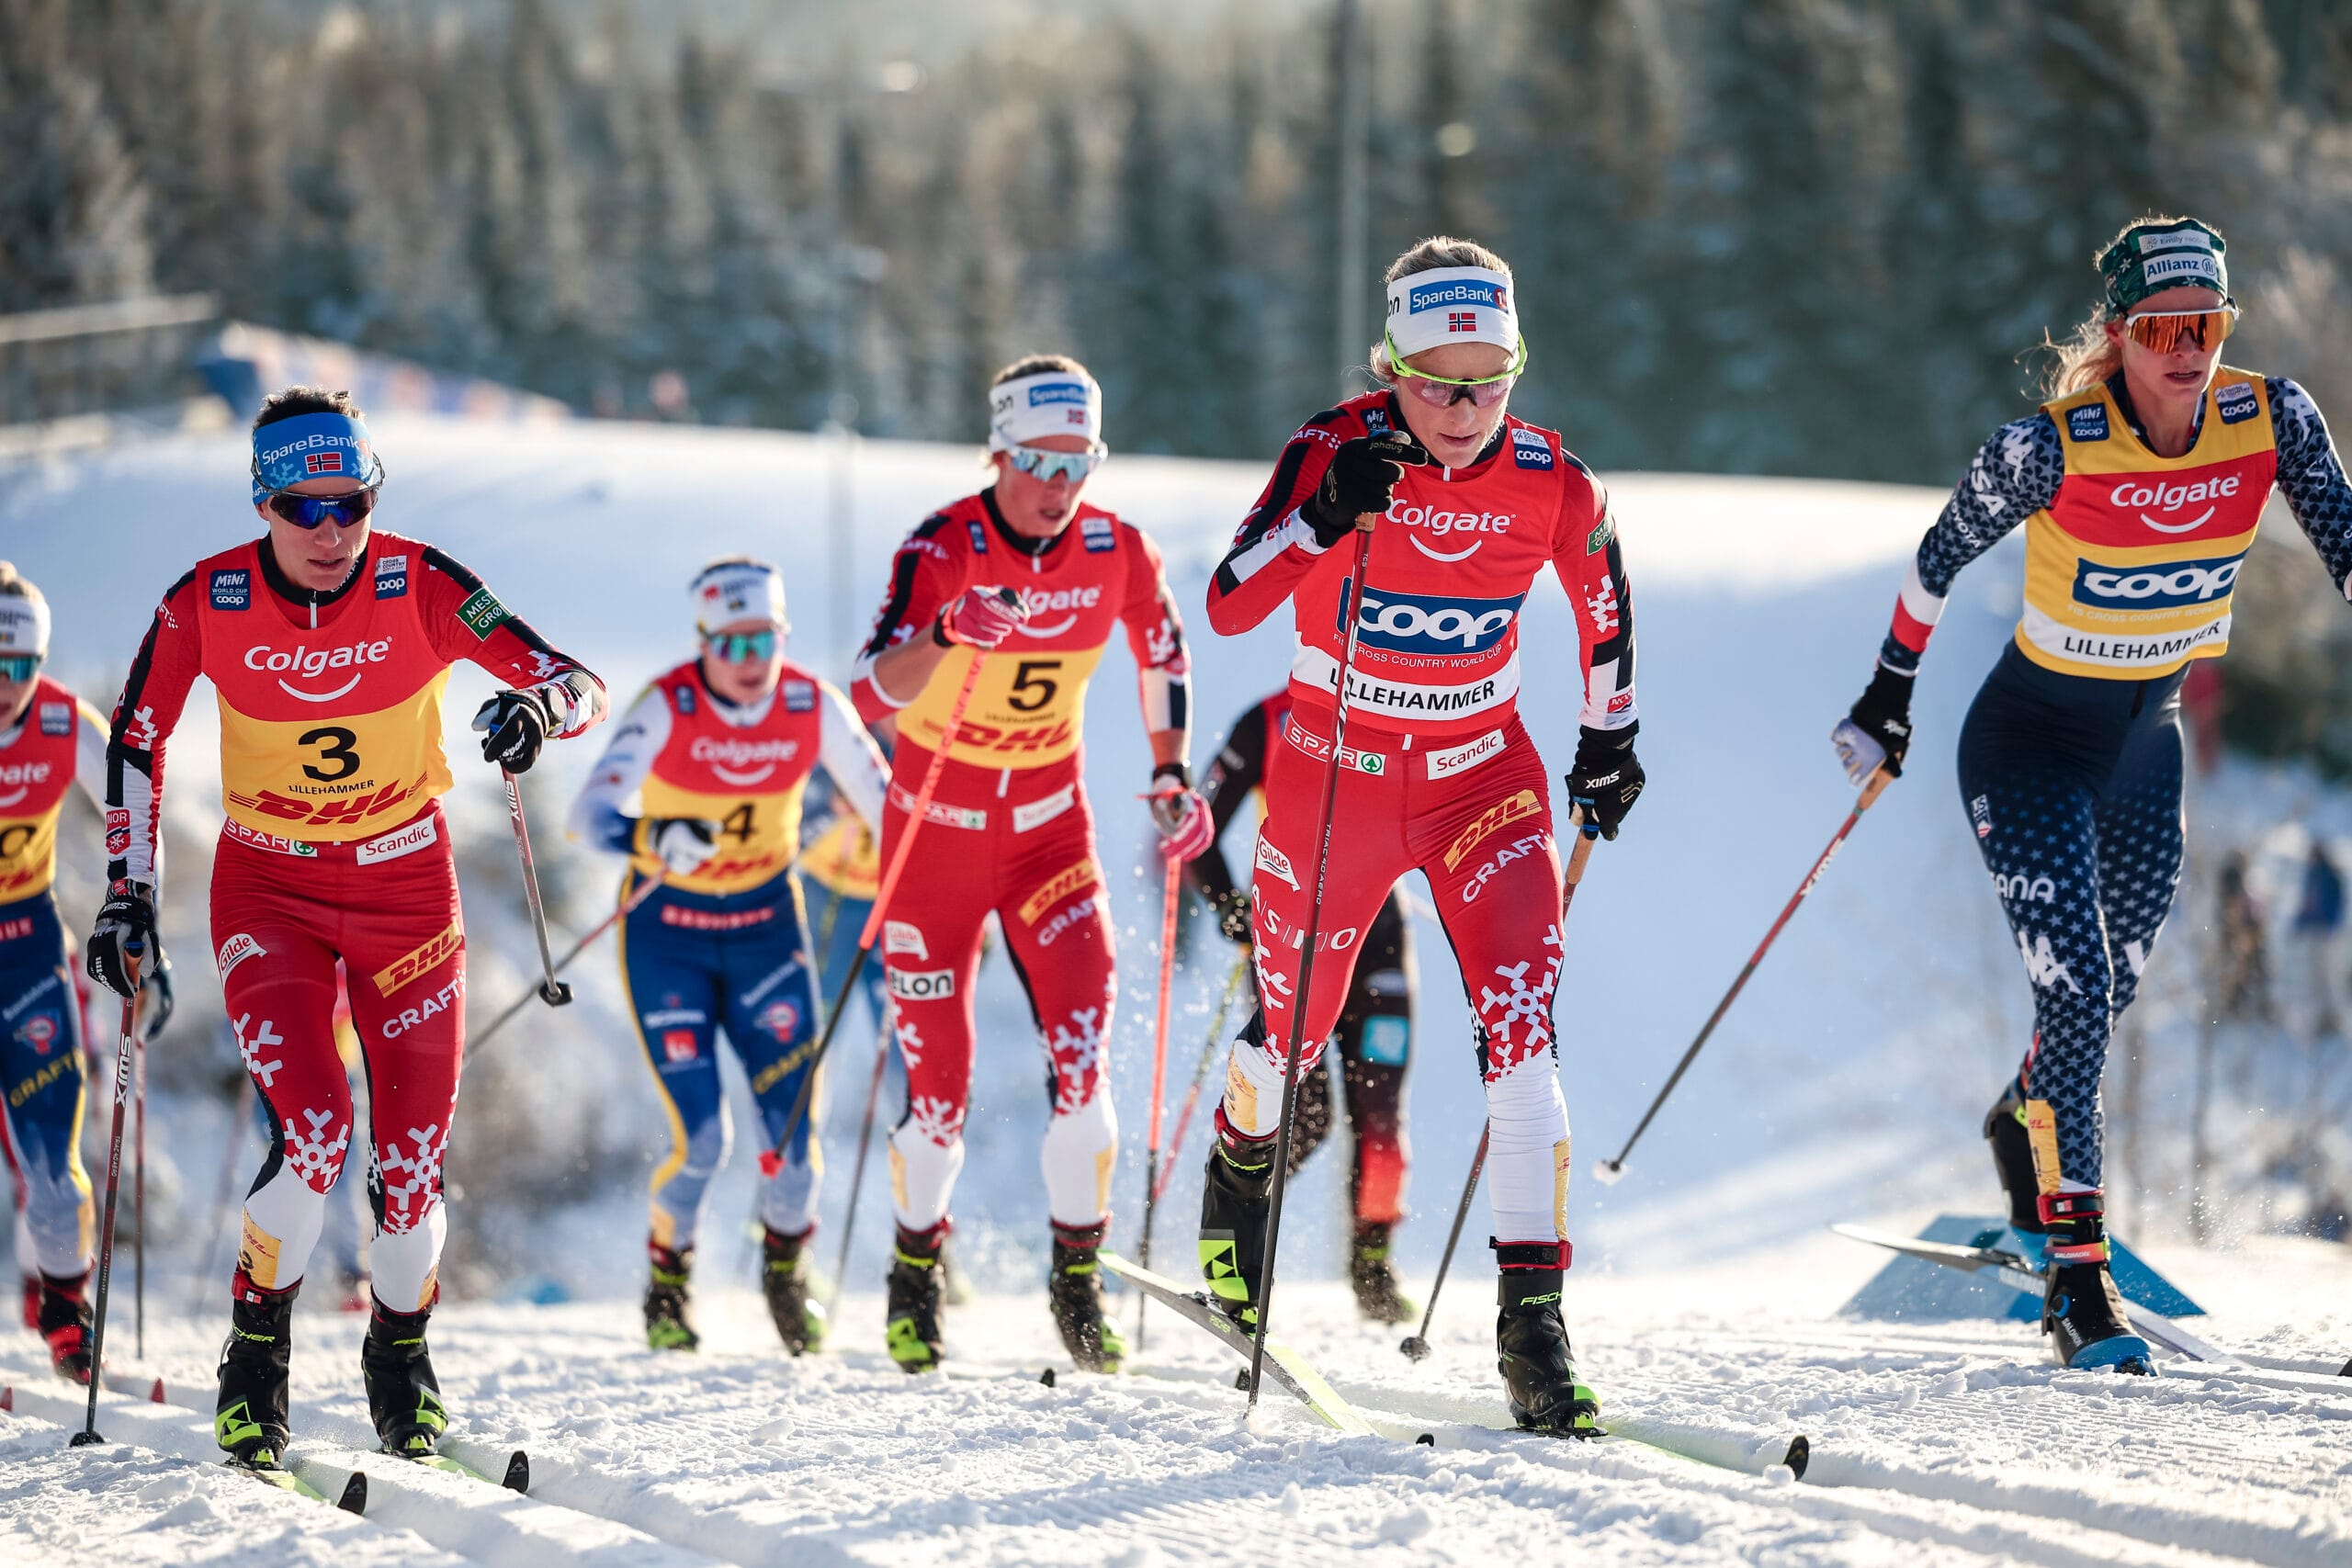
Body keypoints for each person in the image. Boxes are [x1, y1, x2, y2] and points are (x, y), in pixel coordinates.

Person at [1832, 215, 2352, 1372]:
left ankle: (2021, 1117)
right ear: (2117, 336)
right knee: (2071, 997)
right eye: (2162, 327)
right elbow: (1936, 555)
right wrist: (1885, 699)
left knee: (2104, 991)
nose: (2187, 350)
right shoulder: (2048, 448)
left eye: (2205, 325)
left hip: (2141, 746)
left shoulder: (2269, 419)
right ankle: (2078, 1277)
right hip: (2025, 746)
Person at [87, 388, 607, 1471]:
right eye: (300, 506)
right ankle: (256, 1357)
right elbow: (137, 738)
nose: (329, 530)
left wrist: (535, 712)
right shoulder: (208, 599)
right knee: (316, 1133)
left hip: (406, 889)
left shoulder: (422, 583)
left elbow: (573, 679)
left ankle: (401, 1360)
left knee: (412, 1164)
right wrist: (129, 890)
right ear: (262, 502)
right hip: (267, 889)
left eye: (350, 503)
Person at [1194, 236, 1642, 1438]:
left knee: (1522, 1031)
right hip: (1332, 778)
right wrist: (1319, 522)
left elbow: (1601, 598)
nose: (1461, 408)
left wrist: (1612, 736)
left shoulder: (1555, 478)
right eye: (1435, 380)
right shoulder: (1332, 448)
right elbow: (1228, 599)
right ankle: (1238, 1168)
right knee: (1288, 1033)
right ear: (1389, 366)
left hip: (1478, 780)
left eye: (1488, 378)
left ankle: (1533, 1326)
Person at [850, 353, 1206, 1374]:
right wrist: (948, 631)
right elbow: (871, 689)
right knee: (940, 1098)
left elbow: (1164, 649)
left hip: (1050, 832)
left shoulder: (1116, 547)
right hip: (934, 840)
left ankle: (1077, 1281)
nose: (1060, 485)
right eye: (1040, 462)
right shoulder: (942, 546)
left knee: (1083, 1068)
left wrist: (1172, 772)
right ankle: (916, 1270)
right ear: (998, 451)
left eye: (1079, 462)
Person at [570, 558, 887, 1355]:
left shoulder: (812, 704)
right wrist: (651, 836)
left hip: (766, 932)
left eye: (765, 643)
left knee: (795, 1139)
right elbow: (587, 814)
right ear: (703, 640)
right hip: (666, 936)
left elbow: (889, 807)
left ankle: (785, 1269)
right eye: (732, 645)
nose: (751, 665)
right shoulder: (668, 703)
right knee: (705, 1139)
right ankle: (669, 1278)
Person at [1190, 689, 1416, 1323]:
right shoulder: (1265, 719)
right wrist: (1228, 903)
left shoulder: (1402, 707)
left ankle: (1372, 1269)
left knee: (1382, 1134)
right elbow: (1198, 821)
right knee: (1304, 1115)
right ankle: (1237, 1244)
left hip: (1381, 941)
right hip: (1294, 936)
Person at [0, 564, 173, 1381]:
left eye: (20, 668)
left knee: (56, 1175)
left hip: (26, 941)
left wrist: (142, 917)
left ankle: (65, 1310)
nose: (7, 688)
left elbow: (131, 808)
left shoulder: (64, 721)